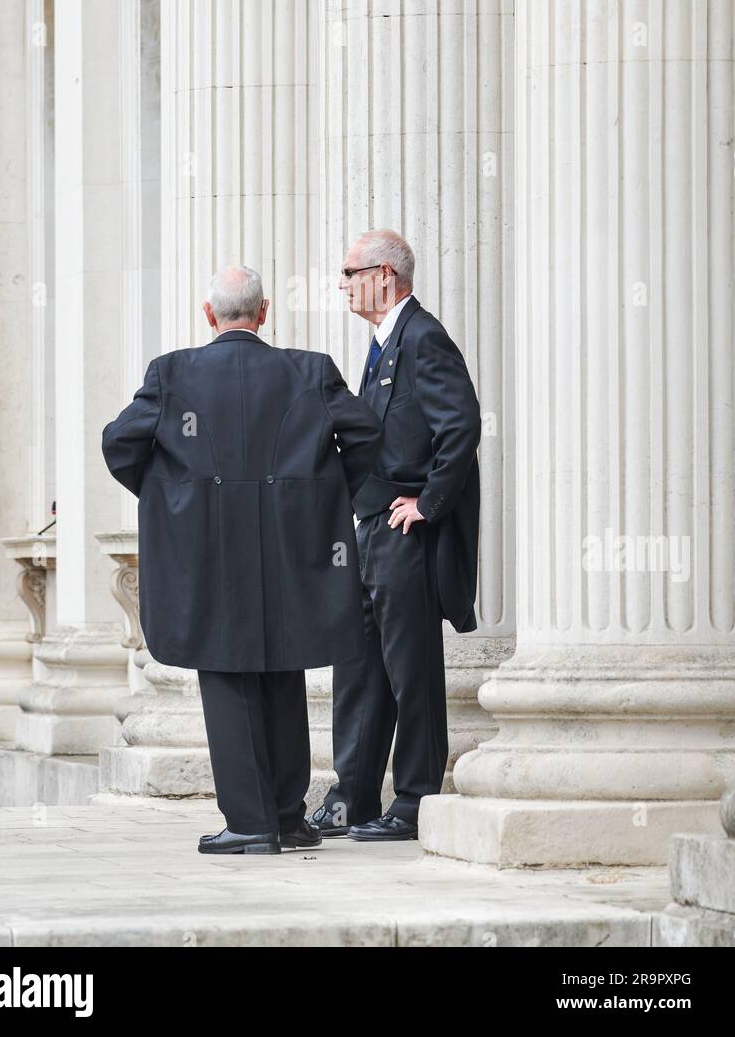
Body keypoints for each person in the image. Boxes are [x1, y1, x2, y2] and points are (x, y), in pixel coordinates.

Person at [101, 266, 383, 856]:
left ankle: (253, 823)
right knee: (284, 671)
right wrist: (319, 499)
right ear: (265, 311)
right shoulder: (311, 369)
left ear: (210, 315)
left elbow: (121, 444)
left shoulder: (172, 372)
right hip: (292, 550)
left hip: (209, 552)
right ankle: (287, 817)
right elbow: (364, 440)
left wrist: (180, 500)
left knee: (226, 674)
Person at [311, 230, 481, 841]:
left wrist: (427, 504)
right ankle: (352, 796)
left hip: (405, 534)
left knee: (411, 670)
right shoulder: (387, 343)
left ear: (384, 274)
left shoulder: (423, 337)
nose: (341, 283)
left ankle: (412, 802)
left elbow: (461, 427)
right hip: (372, 526)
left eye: (349, 271)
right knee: (361, 666)